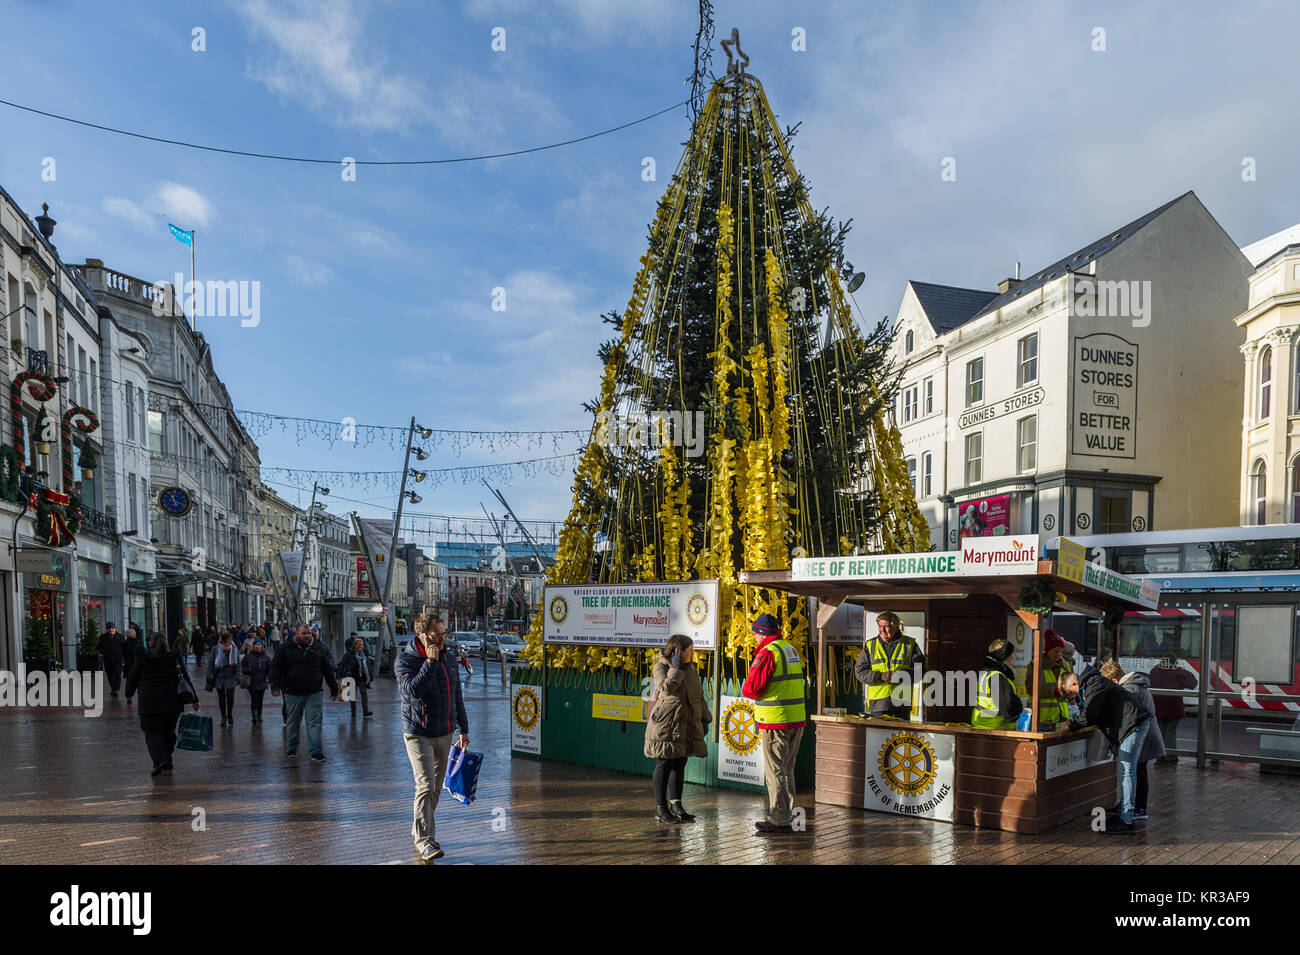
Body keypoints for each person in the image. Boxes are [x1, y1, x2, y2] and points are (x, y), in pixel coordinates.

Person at [395, 613, 469, 863]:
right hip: (418, 732)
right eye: (435, 635)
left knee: (436, 788)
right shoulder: (405, 660)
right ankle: (424, 841)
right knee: (425, 785)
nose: (440, 640)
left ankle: (420, 829)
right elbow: (413, 691)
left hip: (445, 731)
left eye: (443, 634)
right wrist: (429, 662)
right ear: (422, 636)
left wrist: (464, 729)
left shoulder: (448, 658)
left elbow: (456, 693)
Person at [1060, 666, 1152, 833]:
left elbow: (1090, 713)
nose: (1074, 698)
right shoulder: (1093, 683)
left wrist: (1072, 725)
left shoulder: (1093, 683)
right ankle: (1125, 812)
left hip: (1131, 725)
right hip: (1131, 724)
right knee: (1127, 771)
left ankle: (1126, 820)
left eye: (1071, 694)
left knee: (1126, 771)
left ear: (1075, 683)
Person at [742, 613, 807, 835]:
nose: (753, 637)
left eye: (754, 632)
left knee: (776, 772)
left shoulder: (768, 653)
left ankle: (779, 819)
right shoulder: (790, 648)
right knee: (788, 770)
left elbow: (751, 688)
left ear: (761, 633)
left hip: (775, 722)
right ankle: (790, 817)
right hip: (795, 719)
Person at [644, 634, 711, 824]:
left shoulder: (691, 669)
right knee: (664, 763)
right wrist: (676, 669)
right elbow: (665, 690)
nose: (692, 653)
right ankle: (661, 808)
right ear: (677, 651)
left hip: (685, 724)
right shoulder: (661, 667)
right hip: (666, 724)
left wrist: (705, 718)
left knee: (680, 763)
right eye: (689, 650)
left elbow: (698, 695)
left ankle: (676, 805)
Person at [125, 633, 201, 776]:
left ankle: (160, 759)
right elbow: (185, 676)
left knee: (152, 732)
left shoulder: (143, 657)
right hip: (172, 702)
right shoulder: (173, 657)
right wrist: (194, 698)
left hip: (149, 703)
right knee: (168, 732)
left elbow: (133, 676)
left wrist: (128, 692)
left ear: (151, 643)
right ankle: (166, 760)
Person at [1105, 661, 1166, 821]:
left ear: (1114, 680)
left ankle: (1138, 808)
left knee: (1136, 772)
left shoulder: (1128, 689)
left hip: (1141, 735)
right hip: (1148, 734)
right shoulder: (1136, 685)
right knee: (1139, 770)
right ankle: (1133, 805)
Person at [269, 623, 339, 762]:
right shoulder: (285, 648)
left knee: (314, 722)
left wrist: (333, 688)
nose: (307, 636)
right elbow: (275, 668)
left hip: (314, 691)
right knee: (293, 722)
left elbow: (327, 669)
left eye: (309, 634)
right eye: (304, 634)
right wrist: (275, 687)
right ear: (297, 635)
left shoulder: (318, 648)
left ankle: (316, 752)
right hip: (292, 692)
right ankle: (291, 748)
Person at [854, 611, 925, 718]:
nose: (882, 630)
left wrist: (901, 675)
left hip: (901, 704)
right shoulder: (870, 645)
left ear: (896, 626)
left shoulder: (909, 644)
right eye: (880, 626)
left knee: (901, 735)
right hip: (878, 705)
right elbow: (860, 672)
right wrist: (881, 676)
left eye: (886, 626)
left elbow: (921, 671)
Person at [1147, 651, 1195, 761]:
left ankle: (1160, 755)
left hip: (1157, 706)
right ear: (1175, 663)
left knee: (1160, 730)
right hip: (1174, 706)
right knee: (1170, 731)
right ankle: (1170, 755)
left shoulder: (1154, 671)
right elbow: (1192, 684)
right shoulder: (1179, 673)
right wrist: (1179, 670)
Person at [971, 639, 1024, 729]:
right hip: (996, 729)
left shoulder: (986, 672)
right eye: (1011, 655)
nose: (1012, 658)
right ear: (1005, 657)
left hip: (982, 725)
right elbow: (1008, 710)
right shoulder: (997, 676)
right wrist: (1018, 707)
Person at [1024, 629, 1071, 728]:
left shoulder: (1065, 665)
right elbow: (1031, 688)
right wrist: (1055, 692)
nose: (1058, 654)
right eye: (1055, 651)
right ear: (1048, 650)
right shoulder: (1035, 665)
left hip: (1062, 717)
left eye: (1061, 652)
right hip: (1041, 719)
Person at [206, 631, 241, 726]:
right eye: (227, 642)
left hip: (231, 677)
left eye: (230, 641)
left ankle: (230, 714)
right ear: (223, 641)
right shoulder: (215, 649)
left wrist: (238, 675)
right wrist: (208, 675)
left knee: (230, 698)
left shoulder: (234, 649)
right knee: (221, 699)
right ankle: (223, 717)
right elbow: (211, 663)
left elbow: (238, 663)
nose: (229, 643)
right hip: (219, 677)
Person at [337, 637, 375, 718]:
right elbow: (342, 664)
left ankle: (365, 711)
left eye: (362, 645)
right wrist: (339, 675)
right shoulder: (349, 654)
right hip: (352, 677)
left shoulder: (365, 653)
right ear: (355, 645)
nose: (361, 646)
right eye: (359, 645)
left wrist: (371, 676)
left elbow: (368, 666)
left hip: (362, 678)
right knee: (353, 695)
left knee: (364, 693)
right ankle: (353, 712)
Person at [241, 639, 271, 724]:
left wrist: (268, 678)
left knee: (260, 700)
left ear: (262, 646)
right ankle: (254, 715)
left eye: (259, 644)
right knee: (254, 699)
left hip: (262, 682)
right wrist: (248, 670)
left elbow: (270, 669)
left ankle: (259, 715)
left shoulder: (266, 657)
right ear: (253, 646)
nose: (257, 646)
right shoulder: (248, 656)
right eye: (256, 645)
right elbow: (241, 667)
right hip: (252, 682)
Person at [97, 623, 124, 697]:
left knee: (118, 674)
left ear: (115, 628)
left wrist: (124, 658)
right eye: (109, 628)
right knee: (110, 675)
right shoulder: (103, 637)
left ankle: (116, 689)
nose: (111, 629)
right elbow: (99, 647)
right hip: (108, 659)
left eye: (113, 628)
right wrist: (103, 651)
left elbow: (124, 647)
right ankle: (113, 688)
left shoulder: (120, 637)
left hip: (118, 659)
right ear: (107, 629)